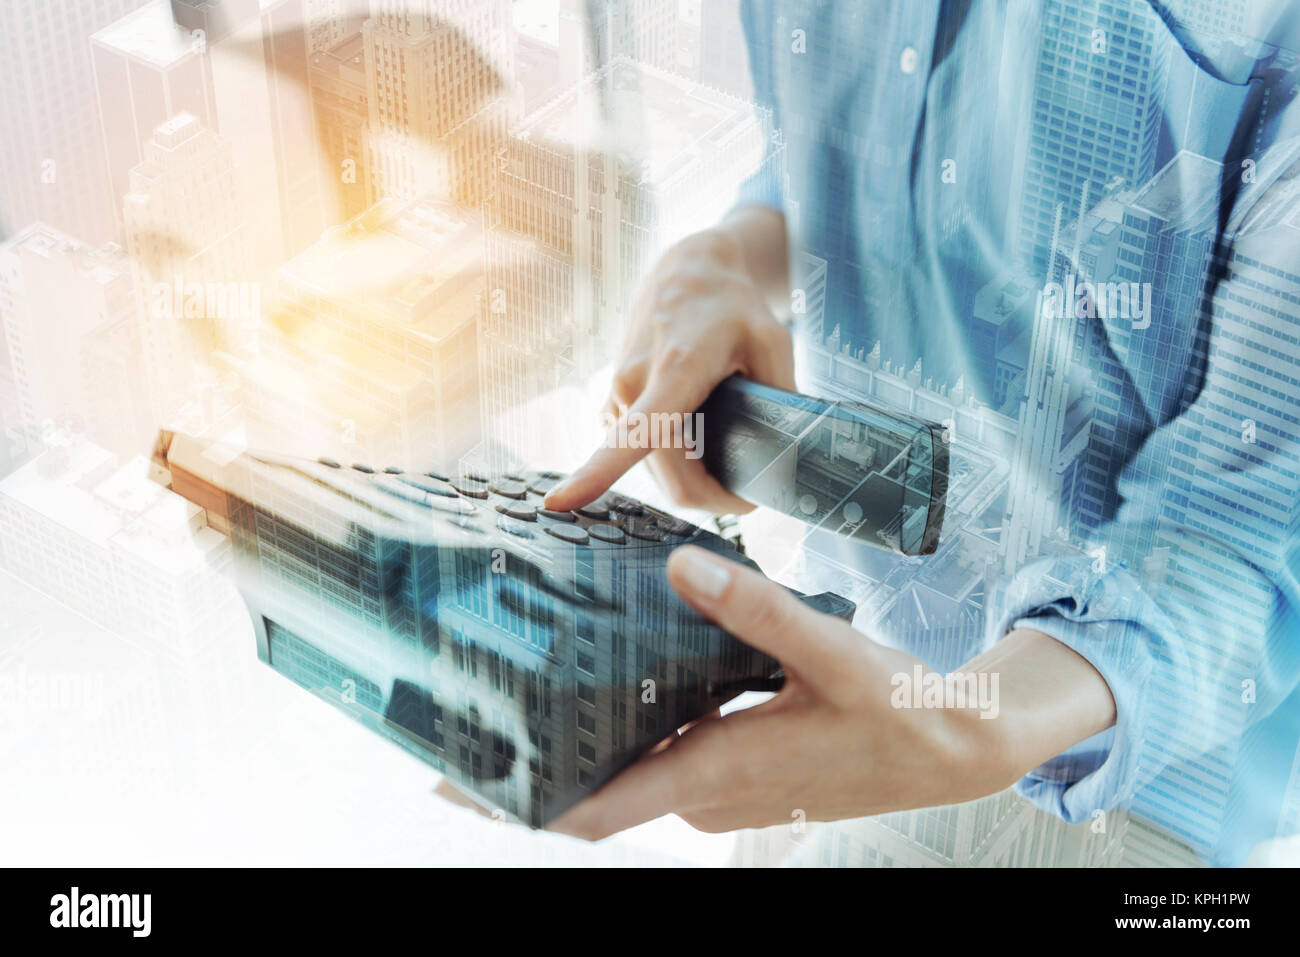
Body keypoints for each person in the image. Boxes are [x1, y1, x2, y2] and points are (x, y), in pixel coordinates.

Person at [543, 0, 1300, 866]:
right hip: (840, 676)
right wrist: (727, 255)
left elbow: (1233, 544)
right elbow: (815, 162)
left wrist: (967, 725)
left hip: (1126, 796)